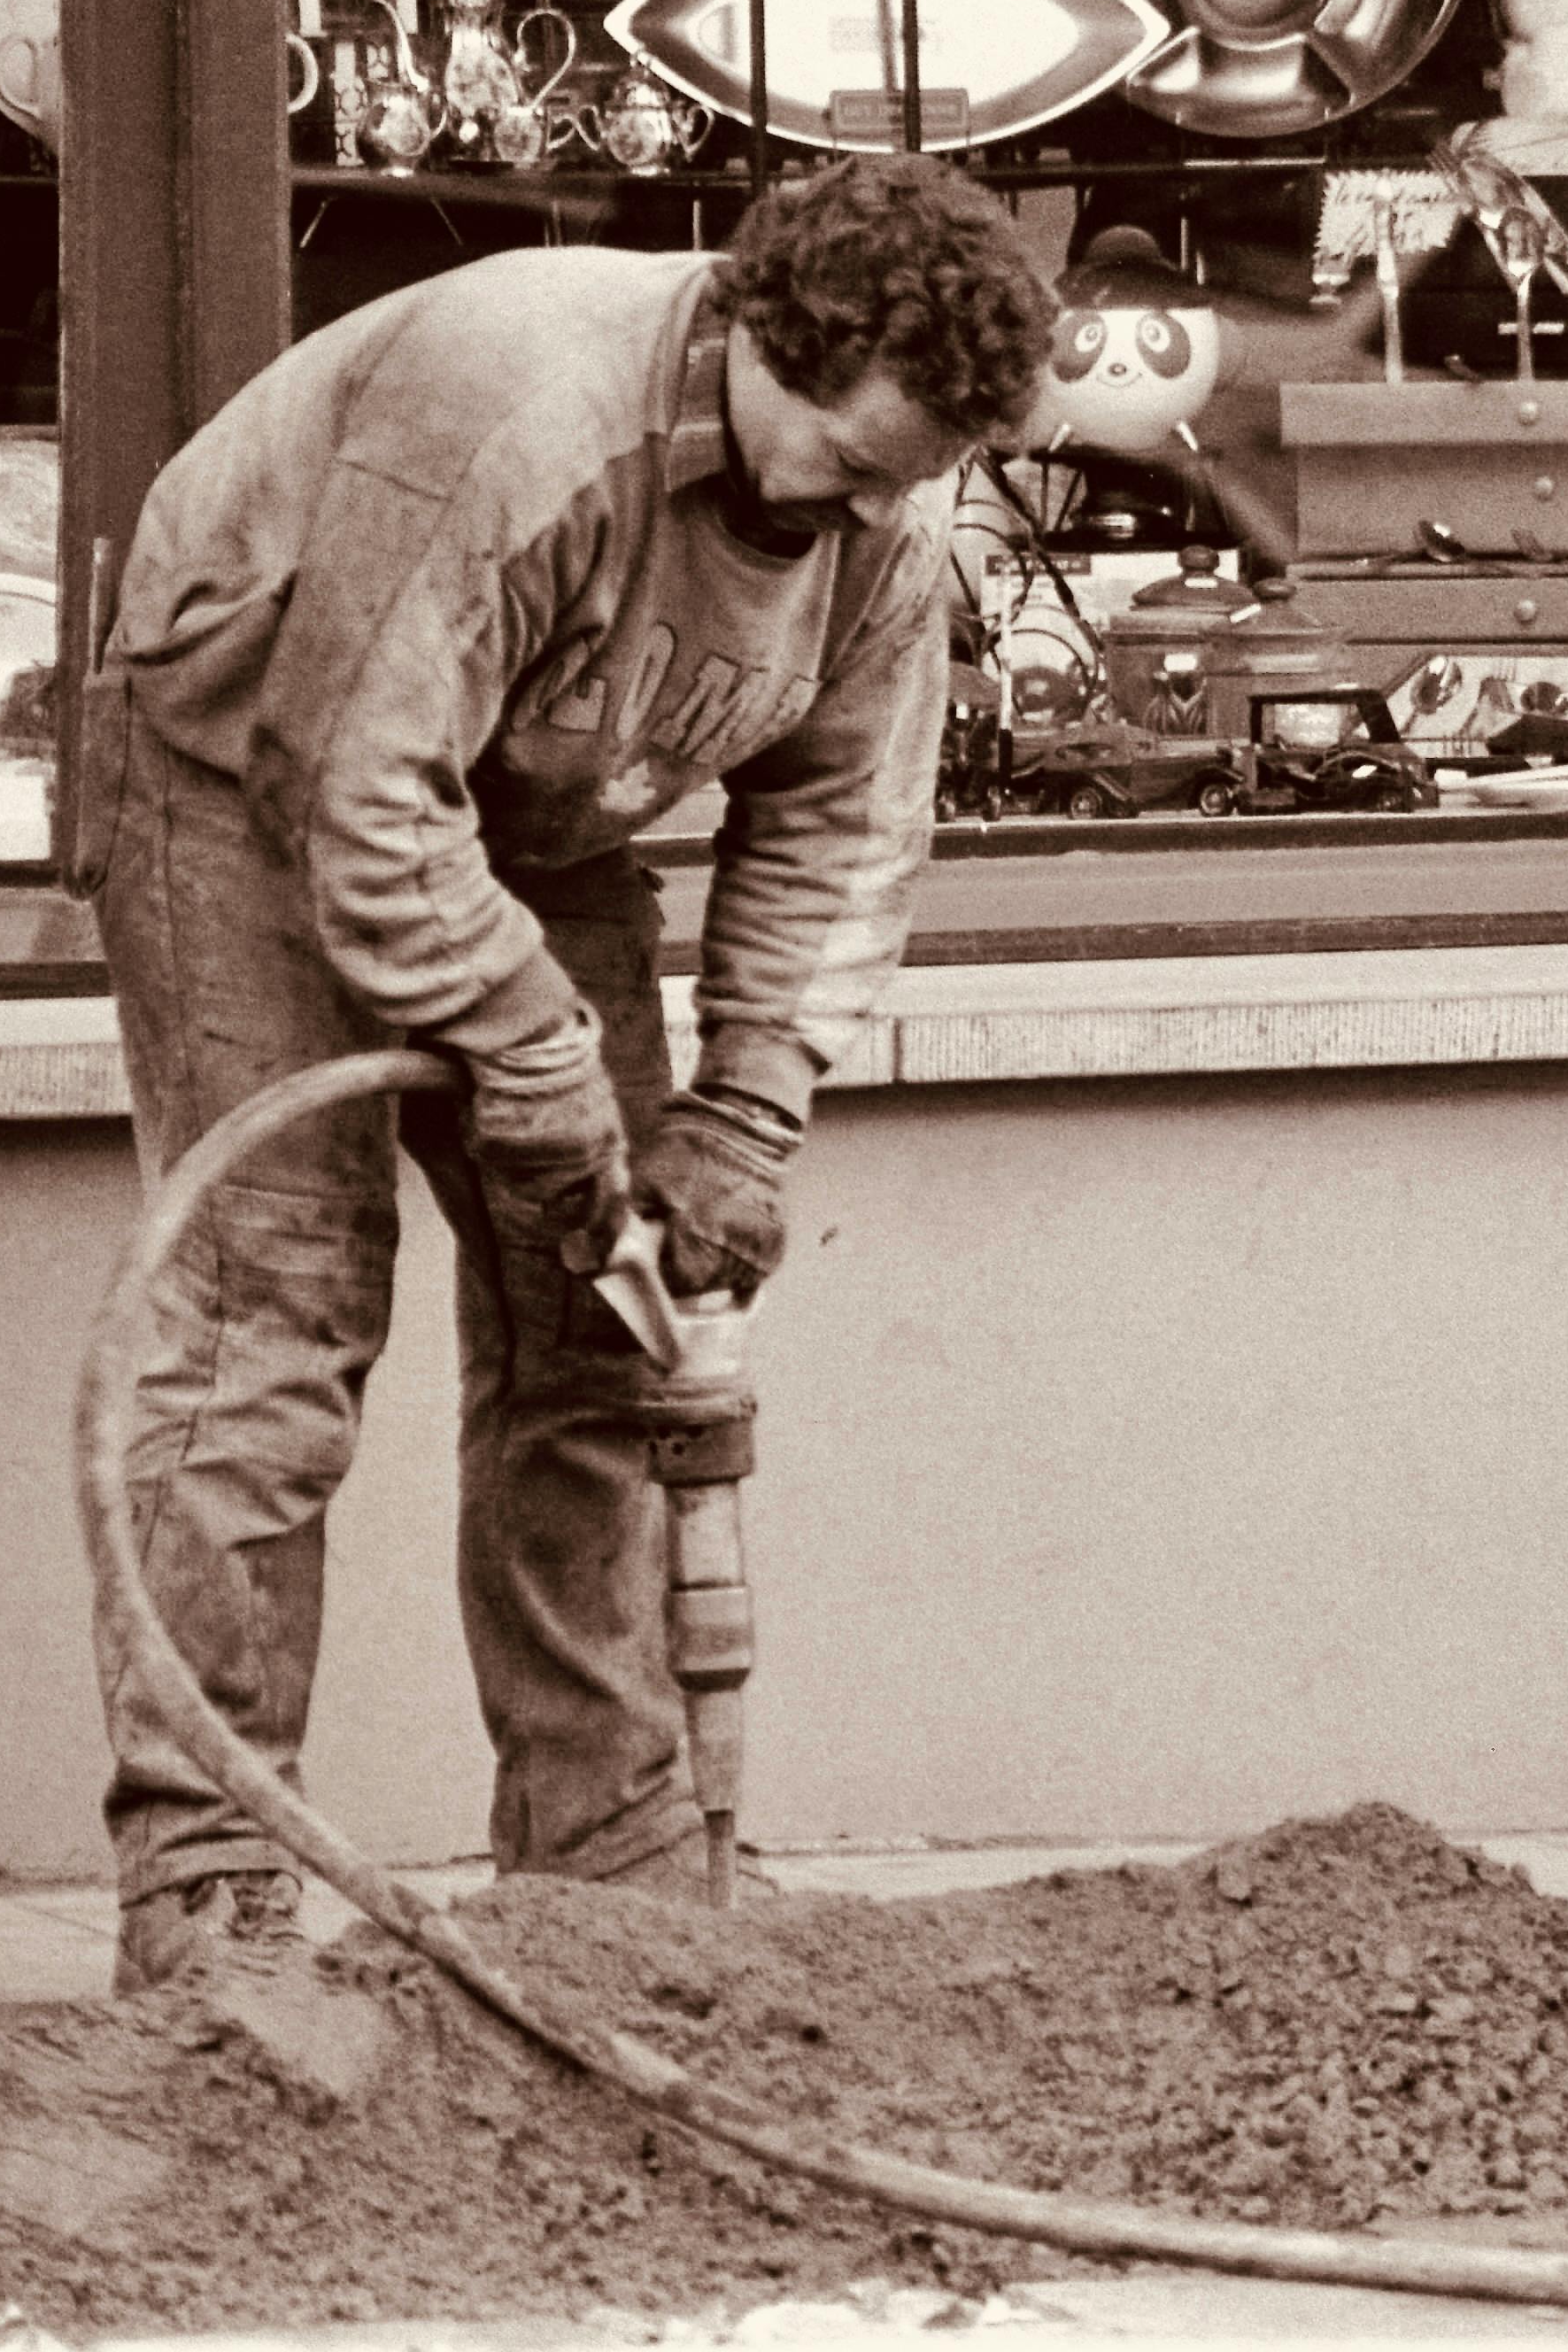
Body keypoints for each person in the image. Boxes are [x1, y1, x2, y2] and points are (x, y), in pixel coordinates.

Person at [66, 155, 1055, 1992]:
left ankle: (600, 1864)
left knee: (599, 1310)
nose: (866, 511)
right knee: (265, 1332)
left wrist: (742, 1112)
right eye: (847, 462)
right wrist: (530, 1051)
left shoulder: (885, 533)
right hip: (242, 773)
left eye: (907, 482)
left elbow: (840, 830)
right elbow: (350, 783)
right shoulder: (520, 409)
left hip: (525, 805)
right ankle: (210, 1892)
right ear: (771, 339)